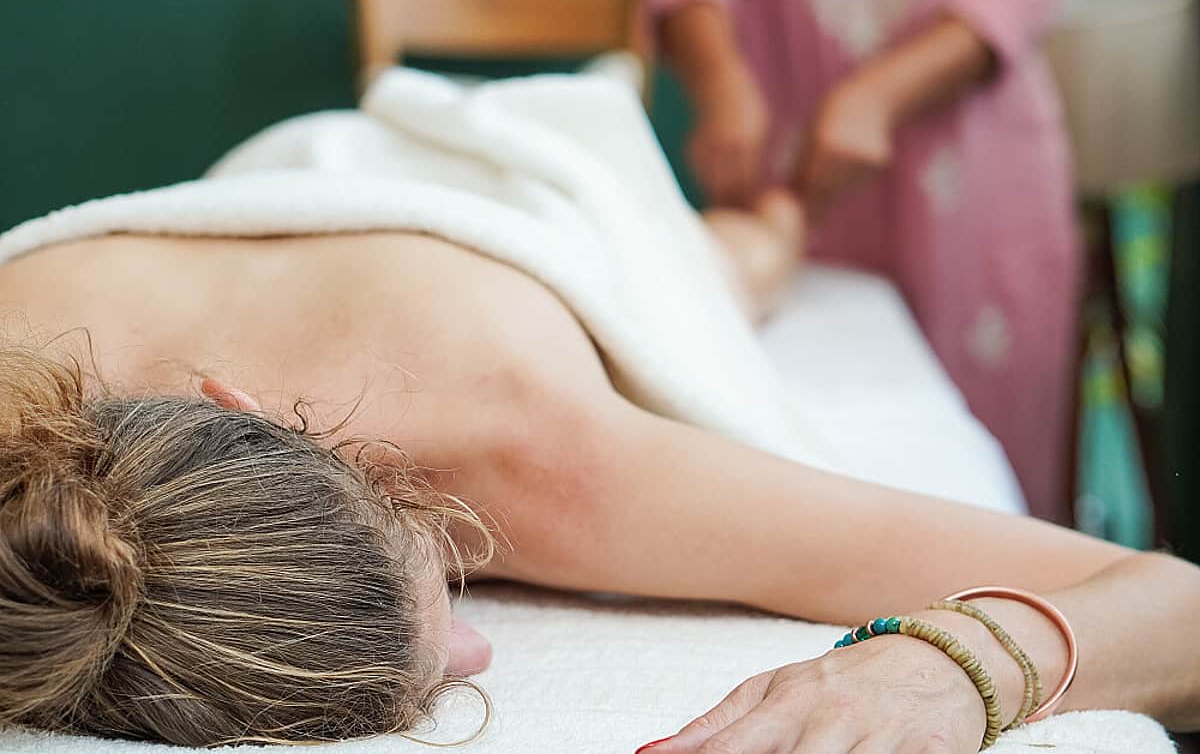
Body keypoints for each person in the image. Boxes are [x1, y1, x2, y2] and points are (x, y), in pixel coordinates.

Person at [0, 209, 1196, 753]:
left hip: (527, 194)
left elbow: (1177, 602)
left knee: (747, 254)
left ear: (258, 413)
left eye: (449, 584)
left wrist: (960, 661)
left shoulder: (554, 464)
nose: (476, 652)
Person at [645, 0, 1081, 522]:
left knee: (991, 500)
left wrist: (880, 94)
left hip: (976, 192)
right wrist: (719, 76)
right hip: (797, 174)